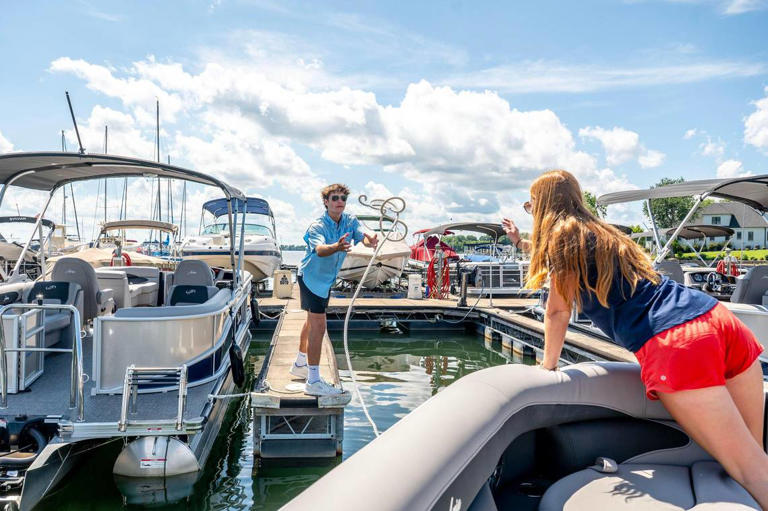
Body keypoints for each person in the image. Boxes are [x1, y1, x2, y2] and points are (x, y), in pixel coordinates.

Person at [502, 169, 768, 506]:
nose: (531, 212)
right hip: (717, 318)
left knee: (748, 469)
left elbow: (557, 312)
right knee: (755, 456)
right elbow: (549, 253)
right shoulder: (605, 234)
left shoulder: (562, 241)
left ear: (542, 205)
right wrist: (518, 242)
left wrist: (548, 366)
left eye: (531, 206)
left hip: (677, 339)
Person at [291, 184, 378, 396]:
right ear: (326, 202)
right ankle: (313, 381)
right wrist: (336, 247)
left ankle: (300, 364)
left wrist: (371, 240)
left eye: (343, 198)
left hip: (325, 280)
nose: (340, 201)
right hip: (311, 278)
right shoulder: (318, 226)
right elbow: (320, 250)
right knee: (319, 327)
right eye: (335, 198)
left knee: (311, 322)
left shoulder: (349, 220)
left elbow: (363, 237)